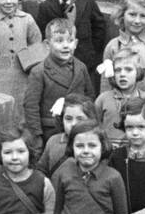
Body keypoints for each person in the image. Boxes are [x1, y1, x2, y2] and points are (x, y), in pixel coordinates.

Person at [32, 0, 107, 89]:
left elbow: (99, 28)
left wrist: (92, 54)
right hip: (57, 67)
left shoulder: (87, 2)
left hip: (85, 64)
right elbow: (42, 35)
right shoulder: (47, 7)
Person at [23, 18, 93, 155]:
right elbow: (31, 106)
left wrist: (90, 124)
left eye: (70, 40)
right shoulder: (39, 71)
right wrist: (36, 136)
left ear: (76, 43)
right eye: (59, 41)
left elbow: (89, 97)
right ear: (47, 44)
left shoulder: (81, 67)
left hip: (78, 127)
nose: (66, 46)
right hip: (50, 131)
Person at [51, 122, 128, 214]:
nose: (86, 151)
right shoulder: (64, 173)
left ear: (103, 147)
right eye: (80, 146)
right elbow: (57, 211)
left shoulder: (113, 177)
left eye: (92, 145)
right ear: (72, 147)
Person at [94, 47, 145, 148]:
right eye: (117, 70)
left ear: (138, 72)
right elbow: (94, 128)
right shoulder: (102, 100)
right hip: (109, 154)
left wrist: (143, 142)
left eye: (128, 69)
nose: (122, 74)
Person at [37, 95, 98, 177]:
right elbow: (41, 170)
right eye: (68, 119)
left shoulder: (96, 142)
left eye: (80, 119)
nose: (73, 124)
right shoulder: (54, 141)